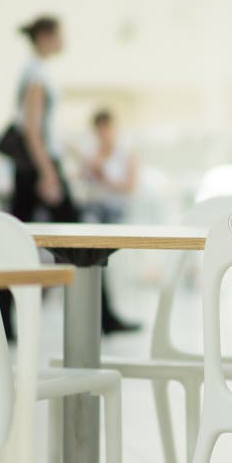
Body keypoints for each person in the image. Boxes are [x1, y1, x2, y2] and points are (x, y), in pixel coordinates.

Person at [0, 15, 79, 341]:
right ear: (44, 36)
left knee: (17, 239)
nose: (63, 40)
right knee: (78, 236)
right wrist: (48, 173)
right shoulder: (36, 74)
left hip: (36, 167)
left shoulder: (38, 71)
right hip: (36, 168)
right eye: (59, 34)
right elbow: (32, 130)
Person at [79, 108, 140, 333]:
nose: (103, 133)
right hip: (94, 212)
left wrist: (107, 178)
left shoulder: (126, 152)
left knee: (112, 267)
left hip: (115, 212)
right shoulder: (90, 152)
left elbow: (130, 186)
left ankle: (110, 314)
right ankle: (97, 314)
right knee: (93, 262)